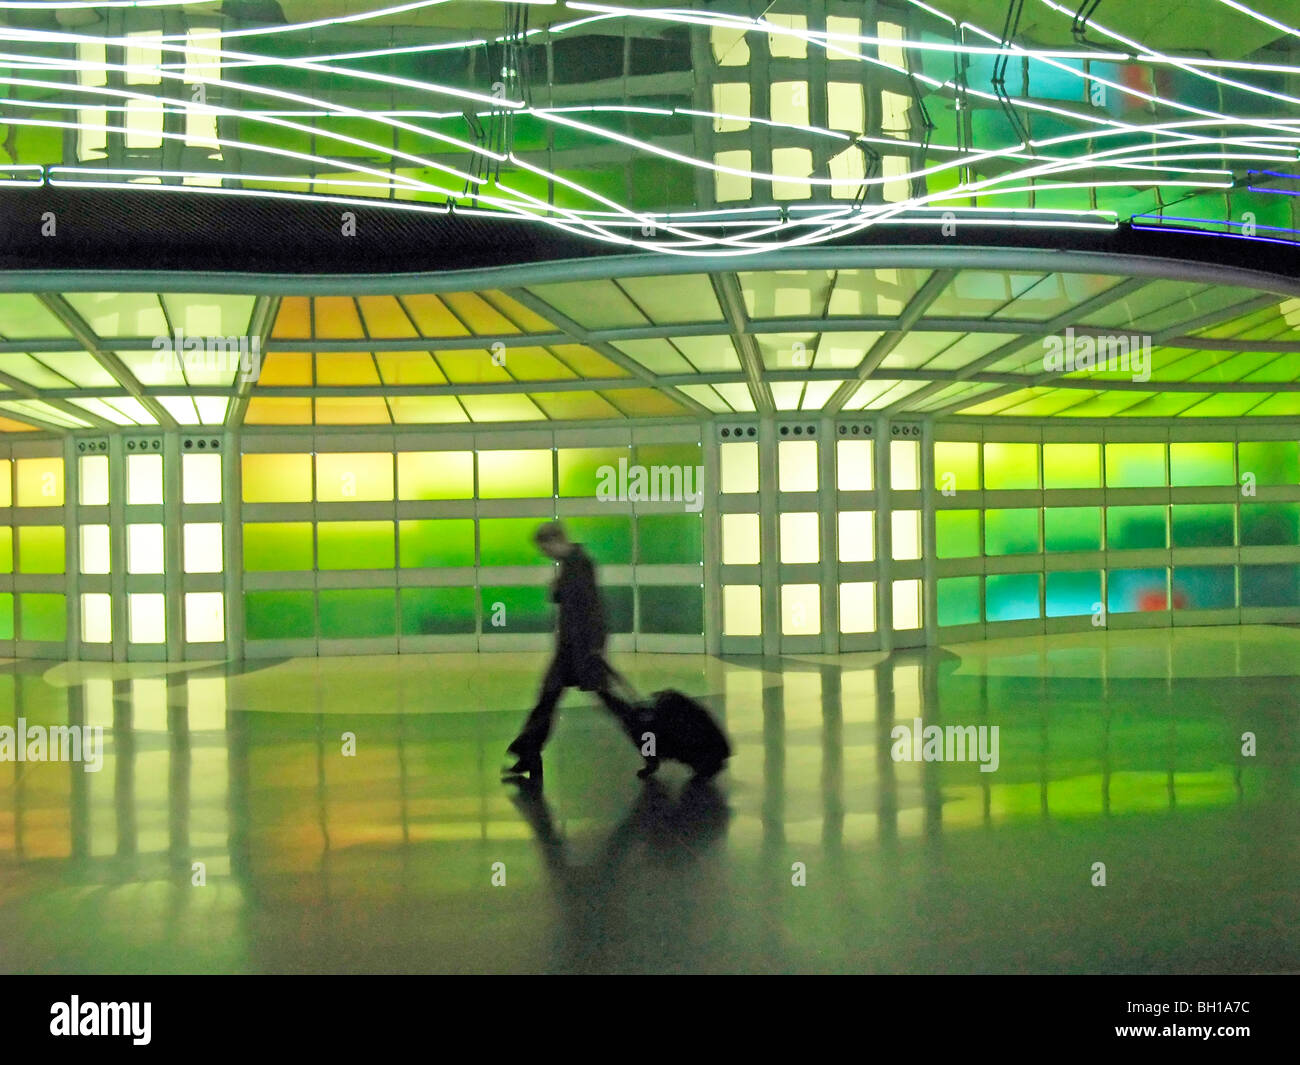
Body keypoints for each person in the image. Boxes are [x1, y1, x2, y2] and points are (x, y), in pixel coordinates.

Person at [504, 521, 655, 780]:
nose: (545, 554)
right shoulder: (570, 565)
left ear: (555, 541)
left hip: (583, 650)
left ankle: (652, 750)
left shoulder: (580, 565)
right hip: (570, 650)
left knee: (614, 704)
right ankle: (528, 754)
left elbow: (592, 608)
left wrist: (596, 647)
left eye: (545, 548)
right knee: (548, 700)